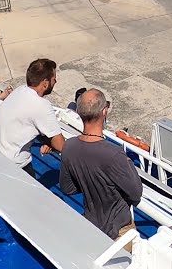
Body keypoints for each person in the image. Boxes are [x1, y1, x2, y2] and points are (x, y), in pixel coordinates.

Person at [58, 89, 143, 240]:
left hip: (91, 227)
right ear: (104, 112)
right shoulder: (114, 154)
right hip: (119, 231)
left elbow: (68, 188)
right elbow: (136, 194)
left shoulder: (69, 147)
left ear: (78, 112)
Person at [0, 59, 65, 174]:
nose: (55, 82)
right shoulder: (41, 105)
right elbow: (60, 145)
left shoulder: (20, 90)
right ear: (45, 83)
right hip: (12, 165)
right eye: (54, 79)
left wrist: (48, 141)